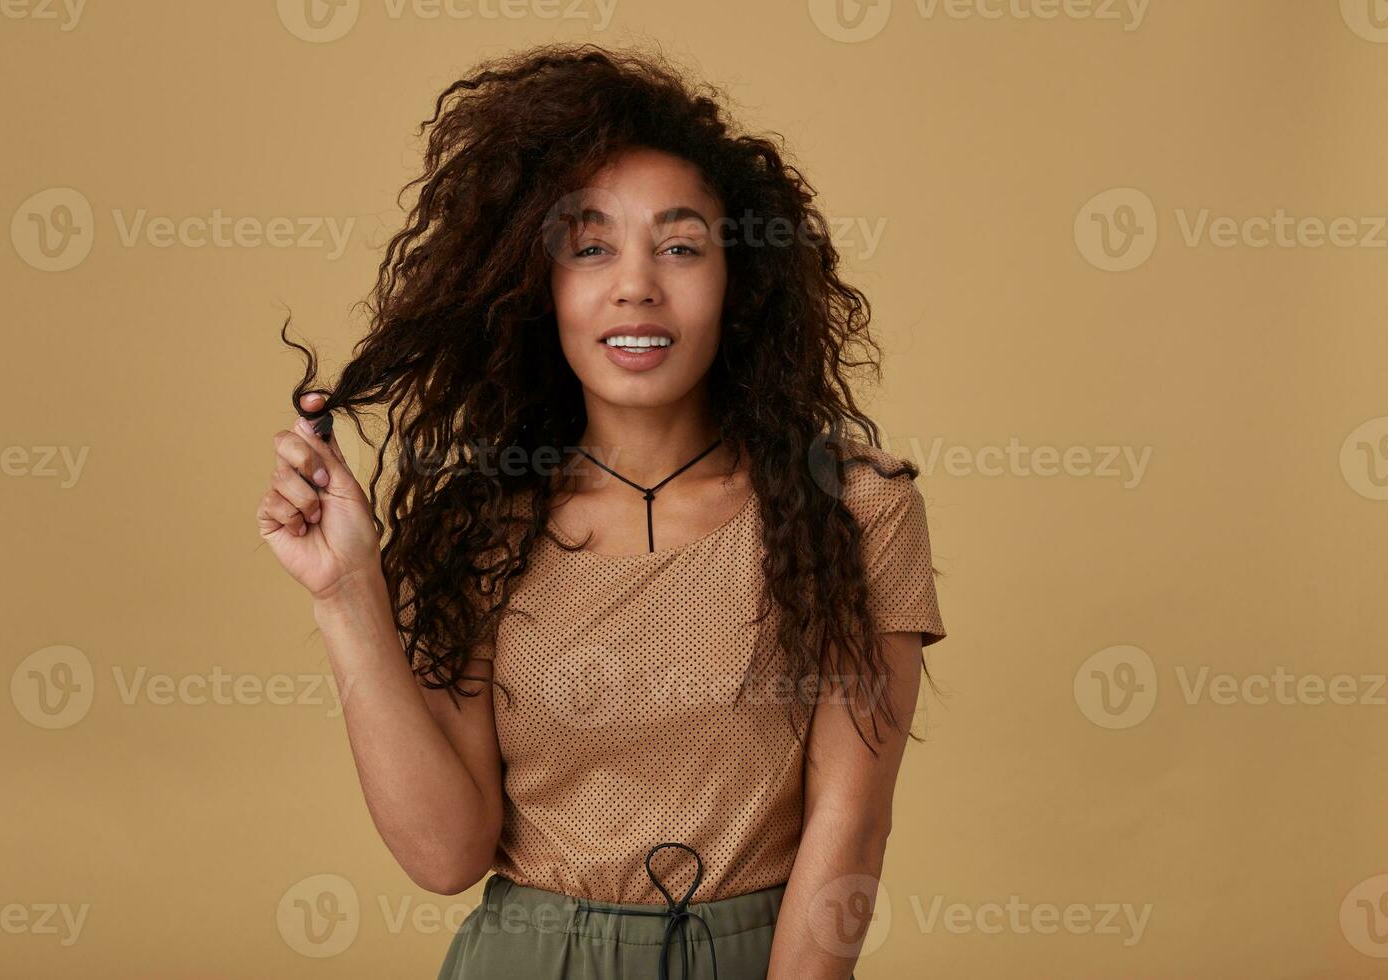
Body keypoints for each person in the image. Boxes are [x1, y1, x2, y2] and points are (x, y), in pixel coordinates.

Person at [255, 41, 948, 980]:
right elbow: (446, 853)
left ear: (738, 279)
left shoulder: (854, 508)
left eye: (679, 246)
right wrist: (346, 592)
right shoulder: (484, 525)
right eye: (589, 246)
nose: (636, 284)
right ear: (534, 287)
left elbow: (852, 820)